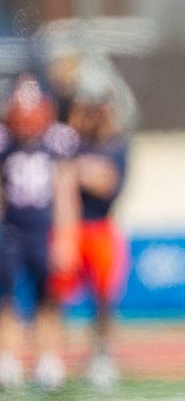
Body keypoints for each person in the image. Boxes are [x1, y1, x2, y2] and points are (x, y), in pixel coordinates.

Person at [0, 75, 80, 392]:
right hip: (12, 230)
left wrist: (65, 236)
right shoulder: (5, 141)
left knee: (48, 300)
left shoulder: (59, 141)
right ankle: (8, 358)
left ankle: (48, 360)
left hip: (44, 231)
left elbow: (65, 192)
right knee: (5, 300)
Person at [49, 86, 130, 391]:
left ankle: (103, 356)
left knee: (105, 298)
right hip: (69, 227)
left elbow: (108, 183)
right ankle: (53, 357)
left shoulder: (115, 144)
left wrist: (79, 171)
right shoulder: (68, 141)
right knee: (55, 295)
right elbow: (61, 176)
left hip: (100, 227)